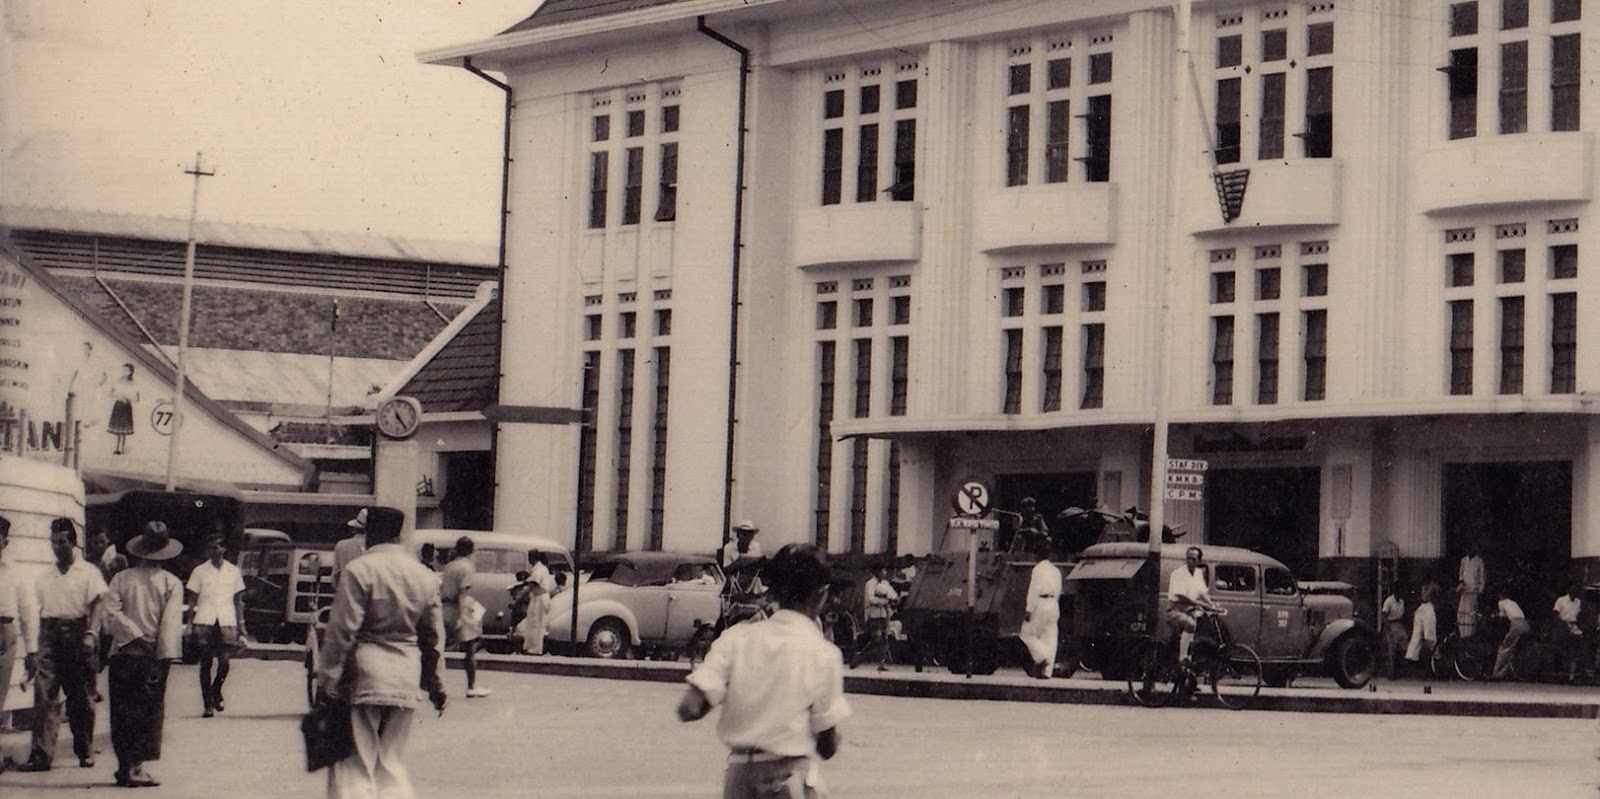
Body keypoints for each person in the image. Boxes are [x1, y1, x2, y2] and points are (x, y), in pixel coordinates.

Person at [678, 543, 851, 799]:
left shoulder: (736, 638)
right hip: (787, 776)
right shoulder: (823, 653)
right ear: (821, 594)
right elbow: (828, 745)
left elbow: (690, 708)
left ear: (773, 591)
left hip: (739, 777)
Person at [315, 506, 447, 799]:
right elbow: (434, 637)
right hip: (406, 676)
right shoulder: (423, 575)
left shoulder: (360, 570)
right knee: (391, 764)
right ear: (398, 534)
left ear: (370, 532)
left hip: (364, 674)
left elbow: (342, 630)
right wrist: (437, 683)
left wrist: (326, 679)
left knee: (354, 766)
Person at [15, 517, 107, 772]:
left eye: (63, 542)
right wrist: (34, 647)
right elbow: (37, 612)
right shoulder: (44, 576)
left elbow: (98, 604)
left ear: (73, 543)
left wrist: (92, 632)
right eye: (53, 542)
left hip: (79, 635)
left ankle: (85, 749)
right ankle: (41, 755)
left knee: (81, 698)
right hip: (50, 636)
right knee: (44, 695)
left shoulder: (89, 573)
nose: (57, 547)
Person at [102, 521, 185, 788]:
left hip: (123, 654)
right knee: (147, 712)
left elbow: (110, 614)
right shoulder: (170, 583)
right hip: (152, 656)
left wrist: (131, 634)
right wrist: (158, 653)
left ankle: (124, 765)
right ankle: (135, 768)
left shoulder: (120, 579)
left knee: (122, 711)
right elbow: (170, 625)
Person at [185, 533, 246, 717]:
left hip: (226, 620)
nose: (213, 551)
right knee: (206, 663)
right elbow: (192, 599)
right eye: (210, 548)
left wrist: (241, 624)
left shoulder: (233, 571)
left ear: (224, 549)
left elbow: (238, 601)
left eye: (217, 547)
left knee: (225, 662)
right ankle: (207, 704)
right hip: (205, 620)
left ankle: (216, 689)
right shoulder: (199, 571)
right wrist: (189, 623)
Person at [0, 516, 39, 763]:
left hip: (4, 633)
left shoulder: (16, 571)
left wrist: (32, 651)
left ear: (5, 541)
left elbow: (28, 611)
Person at [440, 535, 489, 697]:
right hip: (457, 608)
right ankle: (472, 685)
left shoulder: (450, 565)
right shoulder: (467, 567)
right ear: (471, 550)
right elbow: (462, 593)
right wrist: (462, 617)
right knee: (470, 649)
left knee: (436, 647)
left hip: (444, 607)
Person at [84, 527, 127, 704]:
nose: (100, 545)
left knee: (111, 648)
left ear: (108, 541)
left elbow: (124, 581)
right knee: (95, 649)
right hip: (96, 609)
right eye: (96, 542)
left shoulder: (118, 560)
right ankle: (92, 685)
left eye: (103, 541)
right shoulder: (89, 563)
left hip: (114, 607)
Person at [1166, 546, 1220, 663]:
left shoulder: (1198, 574)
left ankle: (1195, 658)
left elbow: (1203, 592)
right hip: (1176, 611)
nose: (1190, 561)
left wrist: (1212, 605)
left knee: (1207, 625)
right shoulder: (1178, 573)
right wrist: (1200, 604)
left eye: (1194, 559)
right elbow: (1181, 596)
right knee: (1190, 624)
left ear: (1199, 561)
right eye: (1188, 558)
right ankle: (1183, 658)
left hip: (1191, 611)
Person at [1019, 545, 1063, 680]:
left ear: (1036, 556)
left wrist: (1029, 609)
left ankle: (1042, 656)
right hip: (1054, 603)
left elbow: (1034, 589)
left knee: (1026, 634)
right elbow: (1059, 589)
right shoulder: (1056, 571)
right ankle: (1047, 672)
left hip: (1040, 602)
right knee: (1050, 637)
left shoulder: (1037, 570)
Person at [849, 564, 899, 671]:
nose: (883, 573)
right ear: (876, 572)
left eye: (884, 570)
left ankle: (881, 663)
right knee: (876, 639)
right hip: (874, 615)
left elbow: (893, 595)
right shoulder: (870, 584)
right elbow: (871, 599)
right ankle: (859, 658)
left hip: (885, 614)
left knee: (884, 639)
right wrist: (885, 600)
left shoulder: (885, 584)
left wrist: (891, 599)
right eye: (881, 570)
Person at [516, 551, 557, 656]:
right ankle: (529, 647)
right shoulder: (537, 569)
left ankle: (535, 649)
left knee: (537, 624)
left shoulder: (539, 570)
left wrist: (520, 595)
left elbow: (533, 585)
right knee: (531, 623)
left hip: (540, 598)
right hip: (536, 597)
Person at [1488, 590, 1529, 681]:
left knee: (1504, 648)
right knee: (1515, 648)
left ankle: (1497, 673)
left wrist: (1493, 615)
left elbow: (1502, 617)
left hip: (1516, 624)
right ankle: (1515, 672)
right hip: (1525, 623)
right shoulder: (1513, 602)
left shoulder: (1501, 603)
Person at [1553, 582, 1587, 683]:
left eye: (1577, 590)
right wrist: (1562, 624)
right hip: (1562, 625)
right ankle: (1556, 674)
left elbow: (1580, 615)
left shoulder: (1578, 602)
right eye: (1573, 589)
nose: (1575, 592)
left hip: (1573, 626)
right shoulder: (1561, 600)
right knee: (1559, 650)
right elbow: (1555, 613)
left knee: (1574, 651)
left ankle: (1571, 677)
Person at [1405, 582, 1439, 673]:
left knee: (1423, 636)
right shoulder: (1426, 610)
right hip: (1421, 650)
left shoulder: (1424, 609)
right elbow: (1428, 635)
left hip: (1415, 650)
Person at [106, 363, 139, 455]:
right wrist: (119, 395)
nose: (124, 372)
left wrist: (128, 397)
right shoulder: (117, 382)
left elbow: (136, 398)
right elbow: (110, 393)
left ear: (130, 372)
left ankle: (121, 448)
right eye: (123, 370)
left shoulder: (133, 384)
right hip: (118, 405)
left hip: (126, 406)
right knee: (117, 429)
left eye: (126, 370)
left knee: (124, 429)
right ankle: (117, 447)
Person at [1379, 587, 1408, 679]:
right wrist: (1388, 629)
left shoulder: (1402, 602)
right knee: (1391, 651)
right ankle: (1390, 674)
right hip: (1391, 624)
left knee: (1403, 648)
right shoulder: (1389, 601)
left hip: (1400, 624)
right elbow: (1384, 615)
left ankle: (1400, 672)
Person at [1457, 545, 1486, 637]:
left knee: (1471, 612)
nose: (1469, 550)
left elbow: (1482, 578)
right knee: (1462, 612)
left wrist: (1480, 590)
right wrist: (1461, 582)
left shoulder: (1479, 561)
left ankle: (1470, 634)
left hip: (1473, 592)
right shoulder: (1464, 560)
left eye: (1471, 548)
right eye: (1468, 549)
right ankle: (1462, 632)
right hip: (1464, 591)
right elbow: (1461, 574)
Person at [333, 509, 369, 581]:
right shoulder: (373, 547)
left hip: (345, 588)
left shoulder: (341, 545)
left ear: (354, 529)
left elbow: (336, 575)